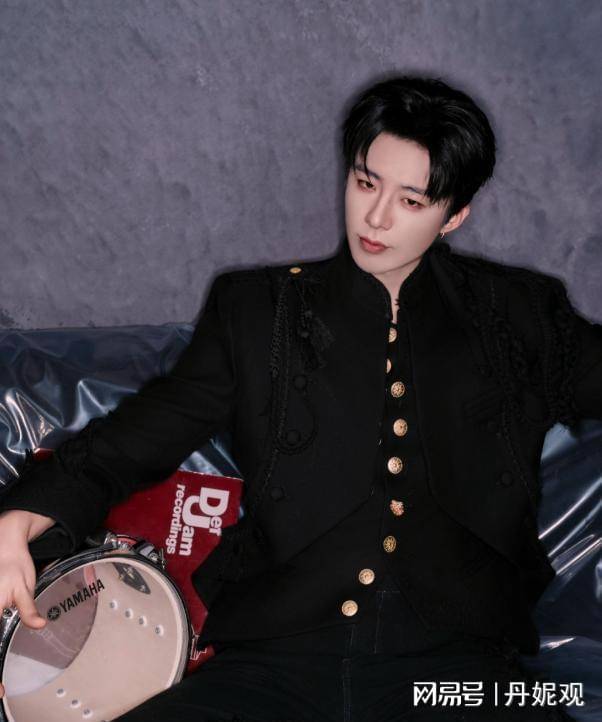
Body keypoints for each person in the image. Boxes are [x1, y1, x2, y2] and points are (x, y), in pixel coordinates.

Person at [0, 74, 599, 722]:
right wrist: (25, 514)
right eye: (365, 183)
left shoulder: (519, 315)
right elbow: (143, 433)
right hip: (274, 663)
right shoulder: (257, 310)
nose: (376, 218)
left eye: (411, 200)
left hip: (459, 672)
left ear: (454, 214)